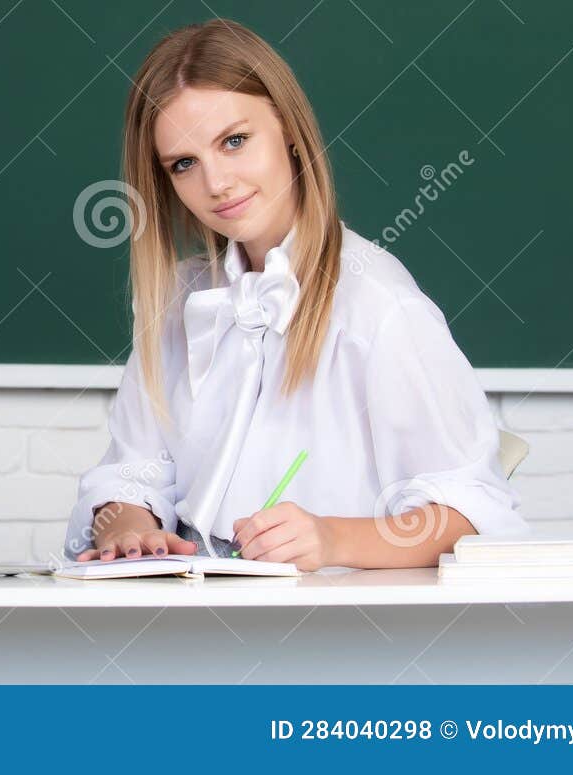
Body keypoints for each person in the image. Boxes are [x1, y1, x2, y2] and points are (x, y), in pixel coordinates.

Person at [64, 19, 525, 571]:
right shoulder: (181, 301)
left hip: (333, 632)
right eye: (184, 164)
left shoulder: (378, 306)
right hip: (186, 625)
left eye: (234, 142)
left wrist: (333, 539)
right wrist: (131, 526)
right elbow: (129, 470)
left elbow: (472, 510)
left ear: (287, 126)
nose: (215, 184)